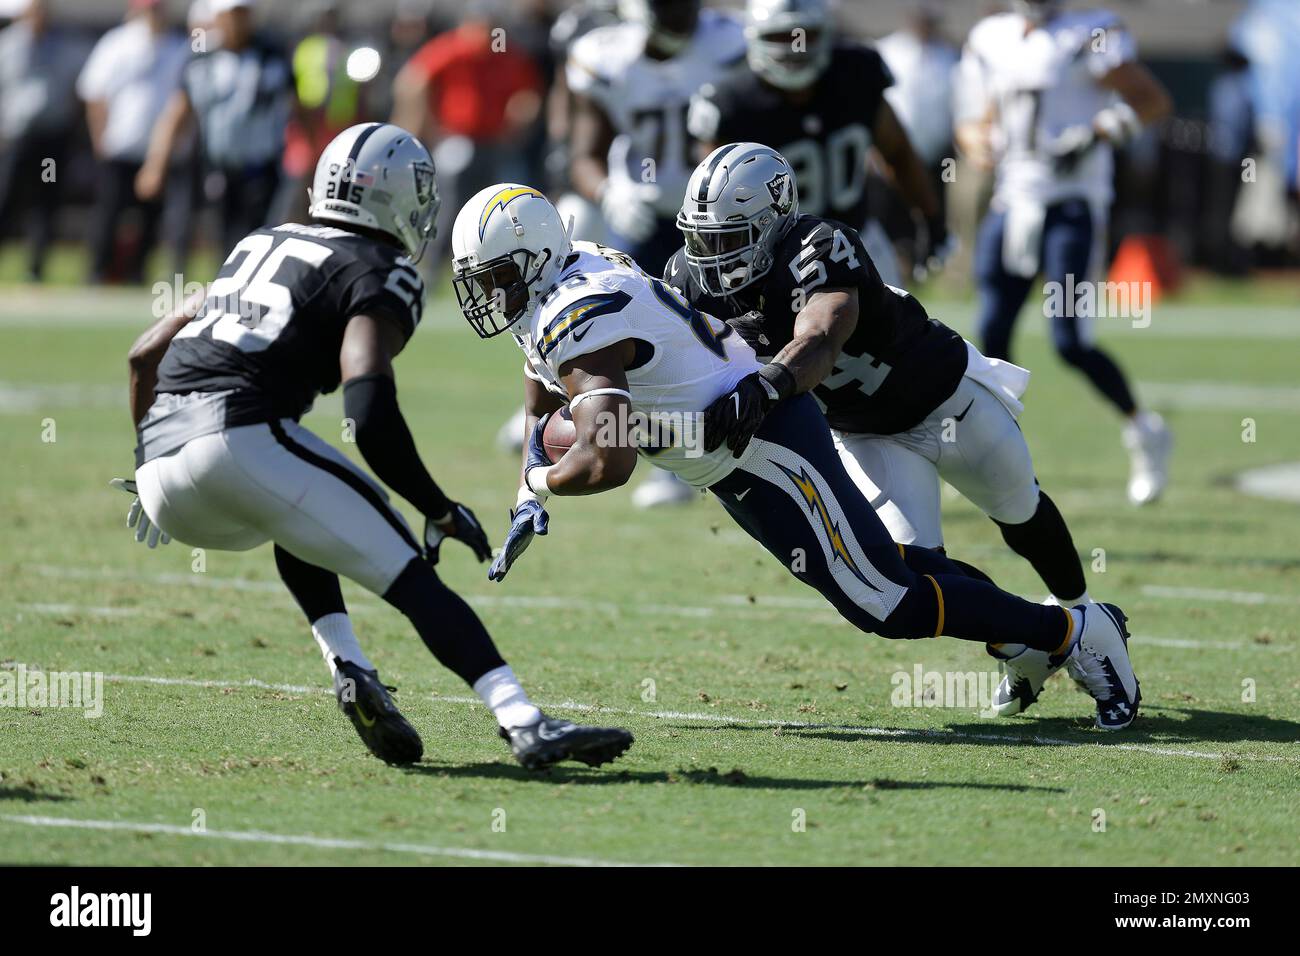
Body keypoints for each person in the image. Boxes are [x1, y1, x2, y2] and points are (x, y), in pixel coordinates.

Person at [449, 180, 1141, 731]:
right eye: (478, 278)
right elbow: (545, 382)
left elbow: (609, 461)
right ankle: (1033, 632)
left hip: (765, 443)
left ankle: (1070, 629)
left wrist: (542, 471)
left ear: (535, 260)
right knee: (885, 571)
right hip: (731, 460)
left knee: (887, 602)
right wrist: (526, 493)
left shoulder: (579, 312)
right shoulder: (563, 284)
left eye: (496, 274)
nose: (486, 292)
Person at [115, 123, 633, 770]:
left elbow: (143, 356)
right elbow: (367, 407)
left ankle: (349, 666)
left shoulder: (256, 242)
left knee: (299, 510)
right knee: (412, 578)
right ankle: (523, 720)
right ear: (402, 201)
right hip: (237, 441)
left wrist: (144, 465)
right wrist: (437, 505)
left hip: (164, 468)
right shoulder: (378, 267)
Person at [666, 142, 1103, 717]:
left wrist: (770, 384)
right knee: (910, 565)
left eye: (729, 239)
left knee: (1018, 509)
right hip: (864, 431)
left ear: (774, 221)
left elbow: (821, 337)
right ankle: (1036, 636)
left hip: (944, 399)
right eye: (703, 239)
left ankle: (1086, 616)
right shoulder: (685, 277)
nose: (713, 257)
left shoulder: (818, 247)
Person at [954, 0, 1174, 505]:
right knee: (991, 335)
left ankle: (1145, 431)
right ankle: (999, 457)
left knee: (1070, 340)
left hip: (1072, 204)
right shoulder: (991, 36)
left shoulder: (1090, 31)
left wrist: (1098, 132)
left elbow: (1151, 100)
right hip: (1014, 202)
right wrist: (978, 144)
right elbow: (973, 121)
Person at [568, 0, 745, 508]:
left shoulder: (727, 44)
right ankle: (671, 464)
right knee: (633, 345)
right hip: (640, 220)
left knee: (725, 338)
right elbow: (583, 153)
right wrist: (608, 193)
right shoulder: (608, 57)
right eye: (670, 7)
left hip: (717, 219)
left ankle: (737, 449)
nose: (682, 16)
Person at [687, 0, 950, 291]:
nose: (792, 48)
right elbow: (713, 198)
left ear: (825, 33)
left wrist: (930, 218)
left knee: (897, 333)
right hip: (770, 257)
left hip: (858, 239)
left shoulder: (857, 73)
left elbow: (898, 153)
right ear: (755, 36)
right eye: (779, 37)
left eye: (803, 35)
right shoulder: (732, 102)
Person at [135, 0, 295, 256]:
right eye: (231, 14)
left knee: (261, 237)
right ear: (217, 18)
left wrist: (310, 153)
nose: (236, 21)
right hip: (218, 163)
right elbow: (177, 112)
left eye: (242, 14)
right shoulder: (200, 58)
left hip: (262, 165)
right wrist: (156, 163)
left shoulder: (273, 54)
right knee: (223, 237)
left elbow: (298, 105)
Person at [391, 2, 544, 269]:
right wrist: (423, 125)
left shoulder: (505, 53)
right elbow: (413, 80)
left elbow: (529, 91)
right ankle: (431, 264)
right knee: (449, 204)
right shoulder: (455, 47)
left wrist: (519, 122)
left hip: (494, 142)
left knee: (495, 207)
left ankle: (485, 261)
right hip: (458, 139)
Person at [78, 0, 190, 284]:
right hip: (119, 145)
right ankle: (97, 272)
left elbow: (183, 101)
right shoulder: (116, 44)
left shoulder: (179, 46)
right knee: (109, 212)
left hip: (158, 151)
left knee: (150, 216)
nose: (154, 15)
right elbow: (94, 93)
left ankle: (136, 274)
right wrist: (99, 137)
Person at [0, 0, 89, 281]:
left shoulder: (63, 46)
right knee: (6, 198)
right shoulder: (8, 46)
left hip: (50, 140)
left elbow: (77, 89)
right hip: (16, 138)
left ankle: (35, 267)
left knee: (45, 199)